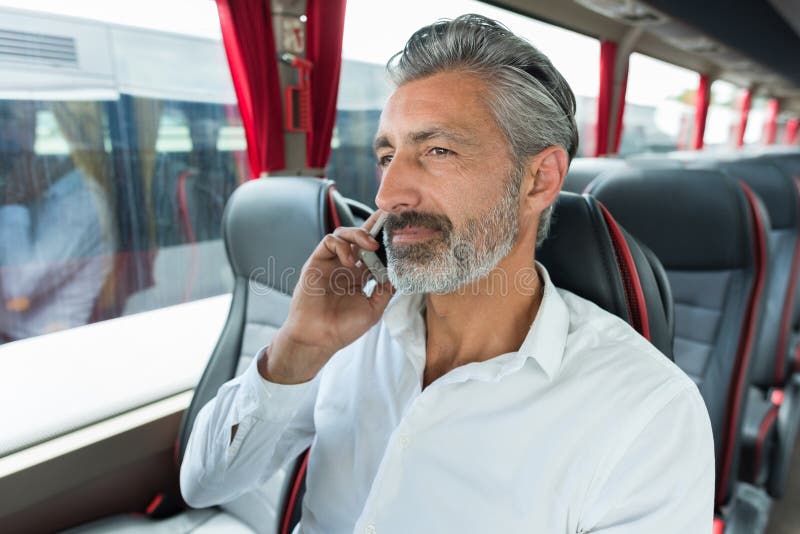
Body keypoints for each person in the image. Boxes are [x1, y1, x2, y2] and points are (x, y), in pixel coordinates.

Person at [180, 15, 714, 533]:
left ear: (539, 180)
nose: (388, 196)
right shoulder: (347, 334)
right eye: (387, 156)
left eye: (437, 151)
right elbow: (204, 486)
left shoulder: (648, 412)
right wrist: (297, 349)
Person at [0, 100, 115, 342]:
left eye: (16, 123)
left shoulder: (80, 203)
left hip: (43, 345)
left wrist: (12, 202)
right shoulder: (42, 192)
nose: (11, 136)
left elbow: (17, 287)